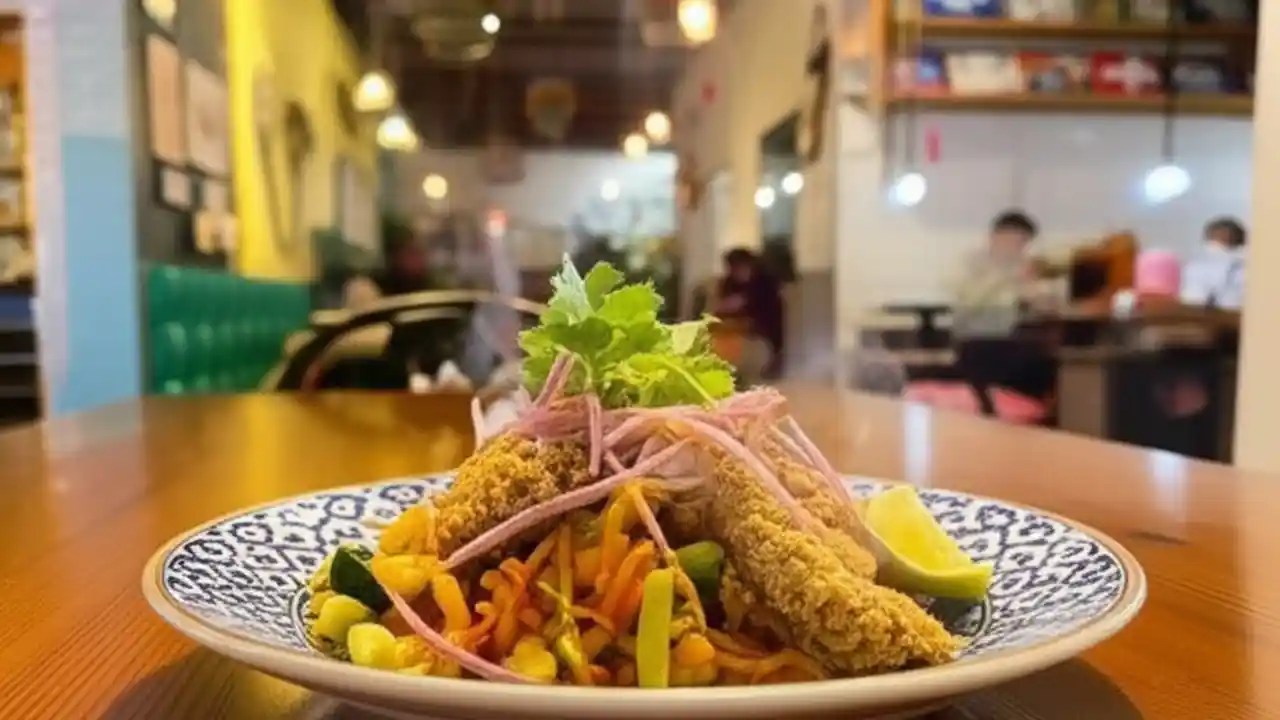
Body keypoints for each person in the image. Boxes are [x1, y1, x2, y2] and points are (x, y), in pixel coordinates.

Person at [715, 248, 785, 380]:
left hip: (763, 332)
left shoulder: (765, 283)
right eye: (734, 269)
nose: (738, 272)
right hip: (733, 329)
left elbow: (772, 314)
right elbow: (721, 309)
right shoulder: (728, 283)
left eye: (741, 268)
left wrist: (745, 303)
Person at [1181, 217, 1246, 310]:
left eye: (1224, 238)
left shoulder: (1242, 268)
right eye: (1213, 238)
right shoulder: (1194, 265)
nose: (1216, 244)